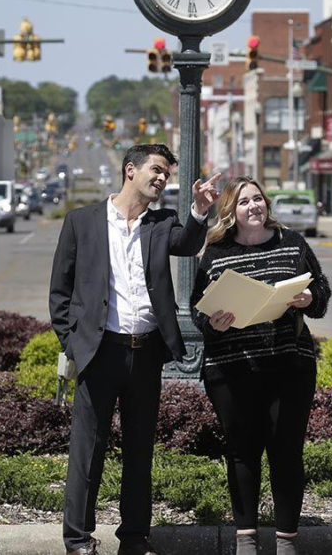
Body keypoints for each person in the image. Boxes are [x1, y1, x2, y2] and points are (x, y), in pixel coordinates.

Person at [49, 144, 221, 555]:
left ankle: (134, 538)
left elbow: (186, 243)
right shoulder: (82, 221)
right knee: (86, 450)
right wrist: (74, 343)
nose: (162, 178)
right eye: (156, 170)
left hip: (145, 353)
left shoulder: (162, 222)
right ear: (130, 170)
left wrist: (198, 211)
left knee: (140, 450)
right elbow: (60, 291)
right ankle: (77, 539)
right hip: (99, 351)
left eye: (166, 173)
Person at [190, 177, 332, 555]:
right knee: (242, 453)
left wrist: (306, 298)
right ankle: (246, 539)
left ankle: (286, 542)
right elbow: (197, 309)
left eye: (257, 199)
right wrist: (211, 322)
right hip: (232, 369)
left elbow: (322, 294)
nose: (253, 206)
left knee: (286, 451)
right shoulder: (216, 252)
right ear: (230, 213)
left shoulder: (292, 243)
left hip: (289, 365)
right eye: (243, 202)